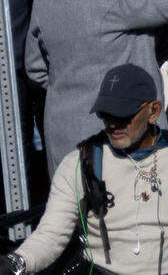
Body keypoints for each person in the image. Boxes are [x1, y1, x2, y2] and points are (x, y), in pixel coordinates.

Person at [26, 0, 168, 158]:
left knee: (75, 187)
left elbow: (35, 69)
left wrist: (70, 85)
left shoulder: (44, 2)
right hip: (125, 129)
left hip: (66, 129)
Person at [21, 62, 168, 275]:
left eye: (123, 115)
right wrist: (14, 263)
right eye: (106, 115)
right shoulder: (81, 162)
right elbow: (51, 235)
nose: (112, 125)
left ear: (153, 111)